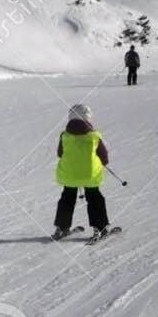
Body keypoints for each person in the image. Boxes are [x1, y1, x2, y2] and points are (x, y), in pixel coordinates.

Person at [53, 103, 111, 240]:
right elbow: (104, 155)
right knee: (95, 198)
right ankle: (100, 227)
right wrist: (103, 162)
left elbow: (60, 153)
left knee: (67, 198)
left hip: (69, 175)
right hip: (90, 175)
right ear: (87, 119)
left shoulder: (64, 136)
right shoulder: (94, 136)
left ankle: (61, 227)